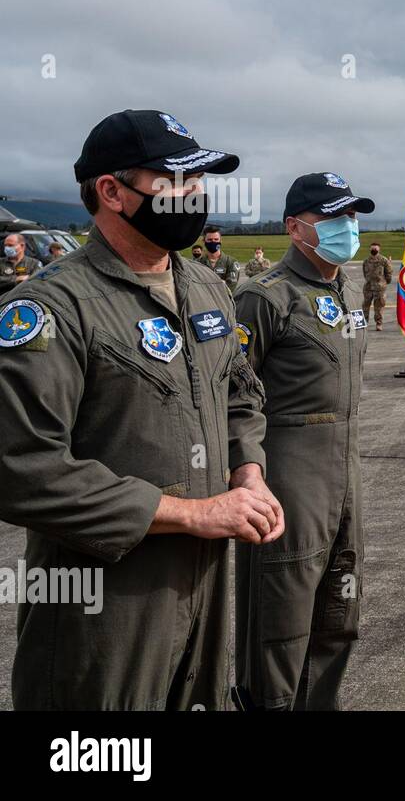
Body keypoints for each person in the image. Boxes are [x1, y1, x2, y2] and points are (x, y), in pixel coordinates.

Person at [0, 108, 280, 709]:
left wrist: (247, 472)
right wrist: (191, 514)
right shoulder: (51, 308)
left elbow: (239, 395)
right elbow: (19, 468)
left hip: (204, 590)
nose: (194, 196)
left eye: (198, 181)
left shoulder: (206, 288)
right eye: (175, 182)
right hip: (104, 607)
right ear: (112, 192)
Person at [233, 172, 373, 710]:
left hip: (345, 476)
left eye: (353, 216)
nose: (348, 227)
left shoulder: (349, 292)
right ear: (296, 227)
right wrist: (247, 473)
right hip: (288, 481)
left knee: (340, 614)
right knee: (281, 620)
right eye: (334, 218)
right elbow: (233, 396)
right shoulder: (264, 298)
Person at [362, 241, 393, 331]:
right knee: (365, 306)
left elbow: (389, 273)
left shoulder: (383, 260)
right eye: (372, 247)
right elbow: (365, 273)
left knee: (378, 307)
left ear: (379, 249)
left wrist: (384, 282)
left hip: (379, 288)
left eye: (376, 248)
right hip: (368, 287)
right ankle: (364, 323)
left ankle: (379, 324)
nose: (374, 249)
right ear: (369, 249)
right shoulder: (366, 261)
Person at [200, 226, 240, 294]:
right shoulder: (198, 263)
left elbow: (231, 286)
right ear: (204, 241)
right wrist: (220, 282)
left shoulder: (232, 262)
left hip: (224, 302)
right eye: (209, 240)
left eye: (216, 239)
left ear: (221, 240)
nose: (213, 242)